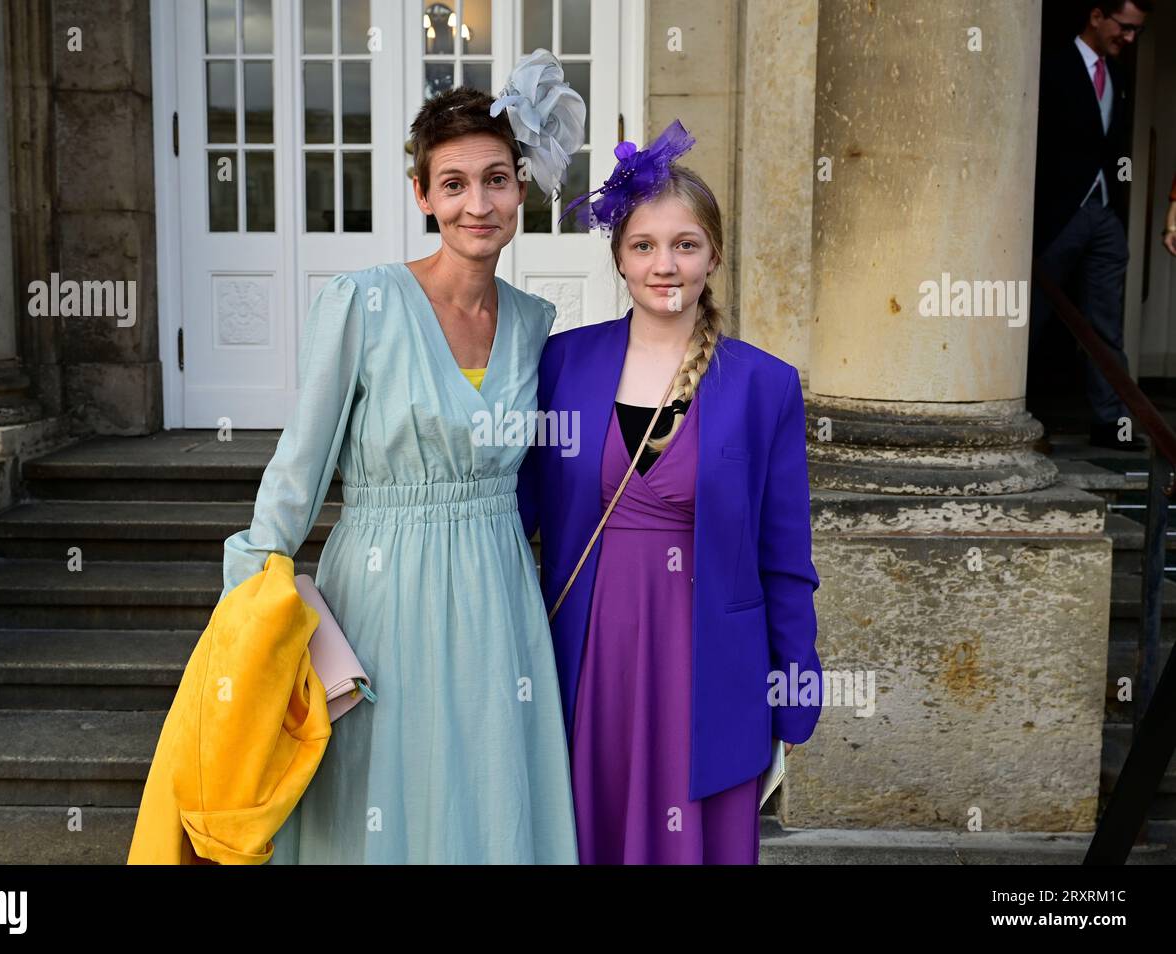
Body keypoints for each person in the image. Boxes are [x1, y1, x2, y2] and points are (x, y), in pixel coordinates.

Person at [221, 51, 586, 863]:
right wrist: (251, 604)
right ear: (422, 195)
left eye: (496, 180)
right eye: (453, 184)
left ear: (520, 189)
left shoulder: (533, 322)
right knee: (380, 795)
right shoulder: (363, 301)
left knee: (488, 787)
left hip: (498, 591)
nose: (477, 203)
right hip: (381, 594)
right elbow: (300, 466)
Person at [518, 121, 823, 864]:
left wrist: (795, 675)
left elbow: (784, 557)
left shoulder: (765, 385)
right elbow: (508, 514)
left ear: (713, 256)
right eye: (645, 246)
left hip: (712, 659)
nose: (665, 265)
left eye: (685, 245)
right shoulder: (560, 364)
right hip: (588, 655)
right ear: (620, 258)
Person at [1029, 0, 1151, 451]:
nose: (1130, 38)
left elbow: (1114, 149)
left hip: (1103, 214)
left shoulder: (1117, 77)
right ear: (1097, 16)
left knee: (1106, 325)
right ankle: (1017, 416)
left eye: (1137, 32)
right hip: (1056, 215)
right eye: (1125, 27)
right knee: (1032, 319)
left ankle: (1111, 423)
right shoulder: (1052, 67)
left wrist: (1116, 202)